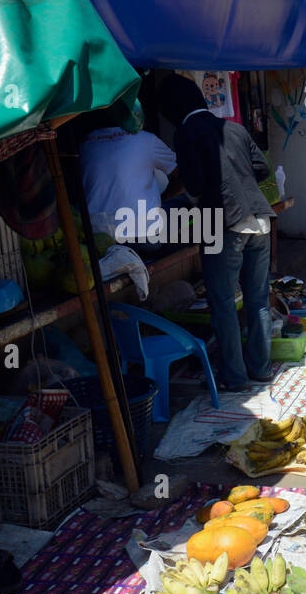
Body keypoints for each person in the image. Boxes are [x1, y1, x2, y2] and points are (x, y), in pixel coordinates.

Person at [156, 73, 274, 393]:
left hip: (221, 223)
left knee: (223, 305)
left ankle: (234, 378)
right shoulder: (234, 128)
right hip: (260, 219)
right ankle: (262, 370)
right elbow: (262, 168)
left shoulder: (186, 133)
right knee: (258, 300)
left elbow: (193, 183)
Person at [78, 110, 177, 249]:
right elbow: (183, 175)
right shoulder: (146, 139)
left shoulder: (85, 144)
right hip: (144, 234)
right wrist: (165, 197)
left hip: (98, 236)